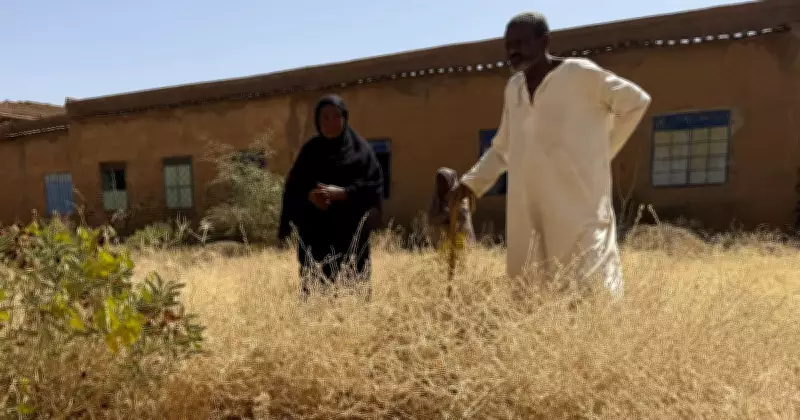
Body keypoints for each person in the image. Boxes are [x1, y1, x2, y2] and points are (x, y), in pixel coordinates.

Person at [449, 12, 651, 299]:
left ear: (544, 41)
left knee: (591, 287)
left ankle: (601, 341)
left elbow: (636, 102)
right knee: (529, 288)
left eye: (520, 42)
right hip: (527, 208)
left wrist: (601, 152)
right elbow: (502, 148)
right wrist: (471, 184)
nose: (512, 50)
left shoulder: (579, 74)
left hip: (578, 205)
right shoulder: (514, 88)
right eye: (508, 44)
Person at [278, 94, 384, 299]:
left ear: (345, 118)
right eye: (324, 117)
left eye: (336, 116)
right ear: (317, 120)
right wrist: (310, 195)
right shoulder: (310, 151)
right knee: (317, 292)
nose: (330, 123)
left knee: (353, 290)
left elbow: (373, 186)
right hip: (315, 237)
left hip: (351, 236)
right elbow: (294, 187)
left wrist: (344, 193)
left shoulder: (361, 152)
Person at [427, 167, 476, 250]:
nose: (441, 185)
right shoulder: (436, 197)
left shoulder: (460, 195)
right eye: (439, 182)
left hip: (460, 234)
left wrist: (450, 213)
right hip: (443, 241)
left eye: (444, 182)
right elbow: (431, 219)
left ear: (450, 180)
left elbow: (463, 216)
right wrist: (446, 215)